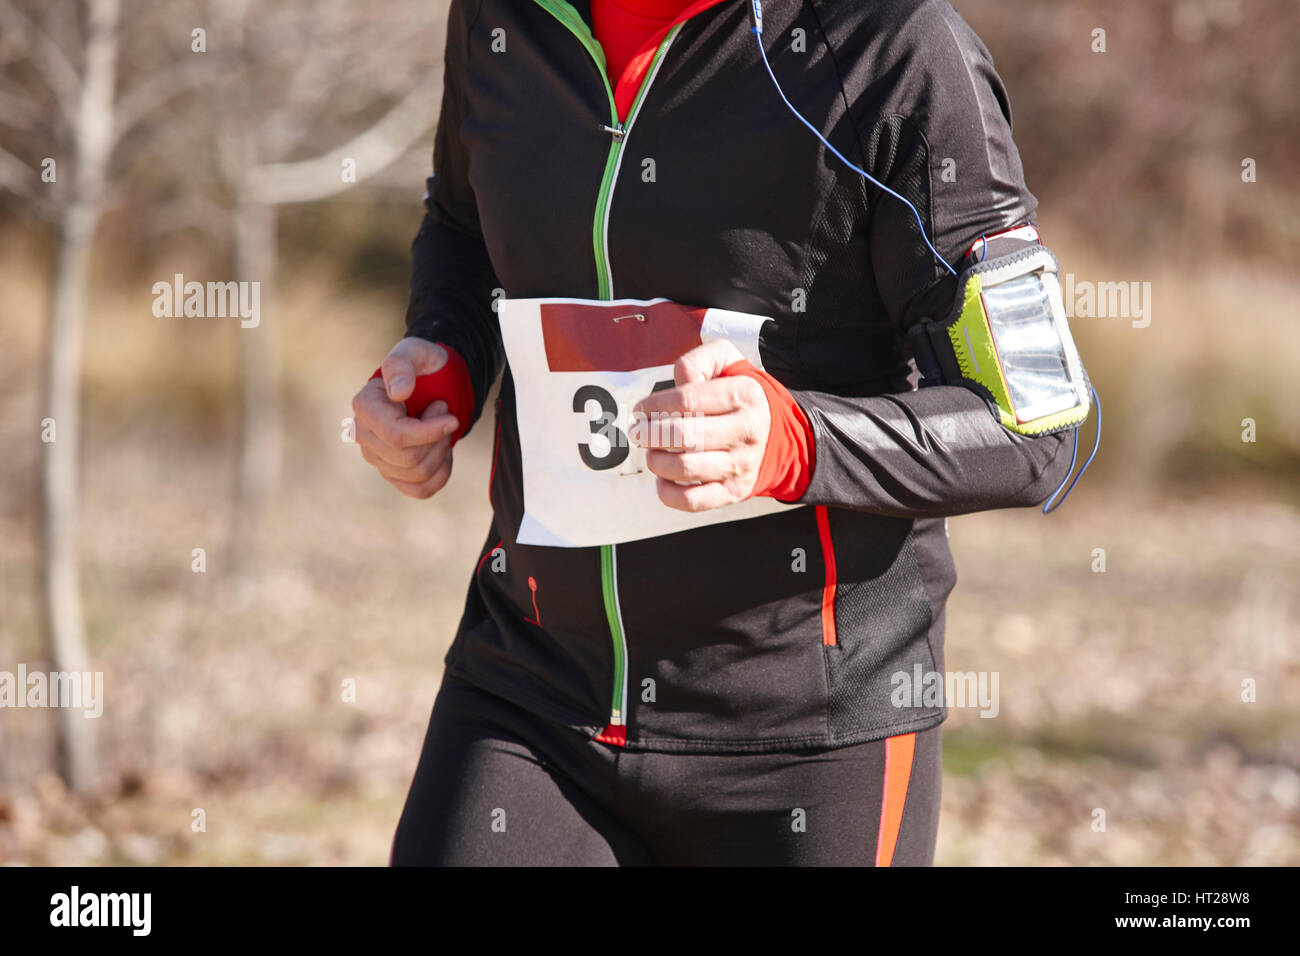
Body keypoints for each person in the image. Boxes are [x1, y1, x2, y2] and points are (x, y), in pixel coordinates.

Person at [351, 0, 1082, 866]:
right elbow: (464, 225)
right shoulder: (500, 19)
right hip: (533, 689)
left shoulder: (892, 45)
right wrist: (446, 355)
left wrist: (795, 441)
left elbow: (1034, 426)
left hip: (808, 733)